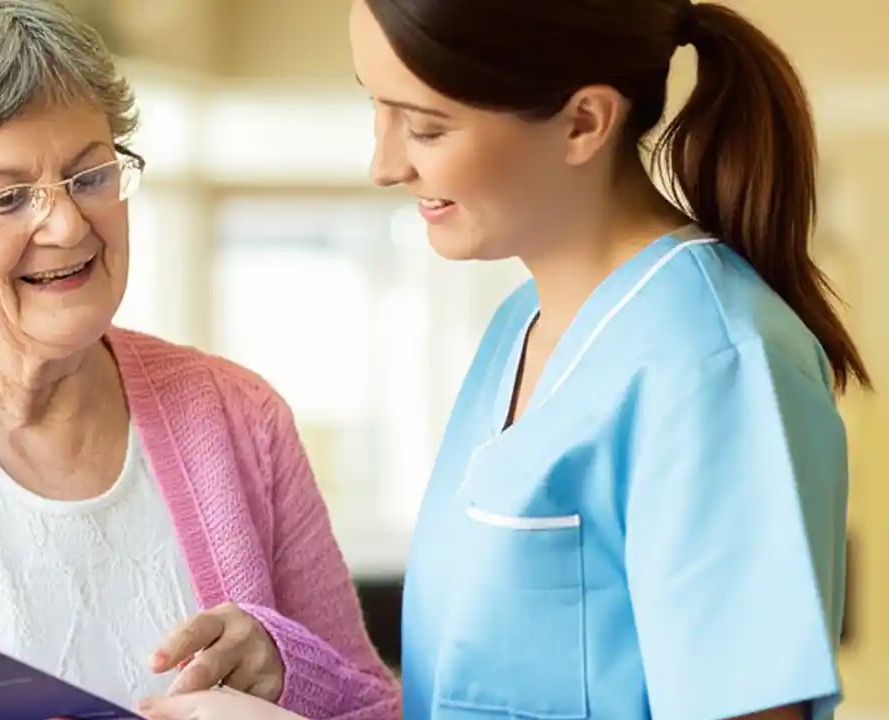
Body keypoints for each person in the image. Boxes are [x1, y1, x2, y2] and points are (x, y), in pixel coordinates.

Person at [140, 0, 866, 719]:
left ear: (583, 122)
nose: (384, 165)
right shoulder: (518, 327)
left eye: (425, 126)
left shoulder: (713, 365)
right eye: (378, 110)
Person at [0, 1, 400, 718]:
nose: (66, 223)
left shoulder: (241, 419)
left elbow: (372, 707)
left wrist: (283, 672)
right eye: (8, 197)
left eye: (90, 177)